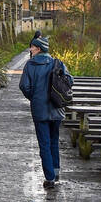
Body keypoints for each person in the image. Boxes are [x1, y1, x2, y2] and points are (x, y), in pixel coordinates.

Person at [18, 33, 68, 188]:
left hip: (39, 110)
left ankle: (50, 178)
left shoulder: (30, 65)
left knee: (44, 144)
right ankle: (56, 171)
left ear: (38, 48)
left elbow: (24, 86)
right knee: (54, 141)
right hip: (56, 108)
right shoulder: (57, 63)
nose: (30, 49)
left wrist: (34, 97)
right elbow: (69, 81)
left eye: (32, 46)